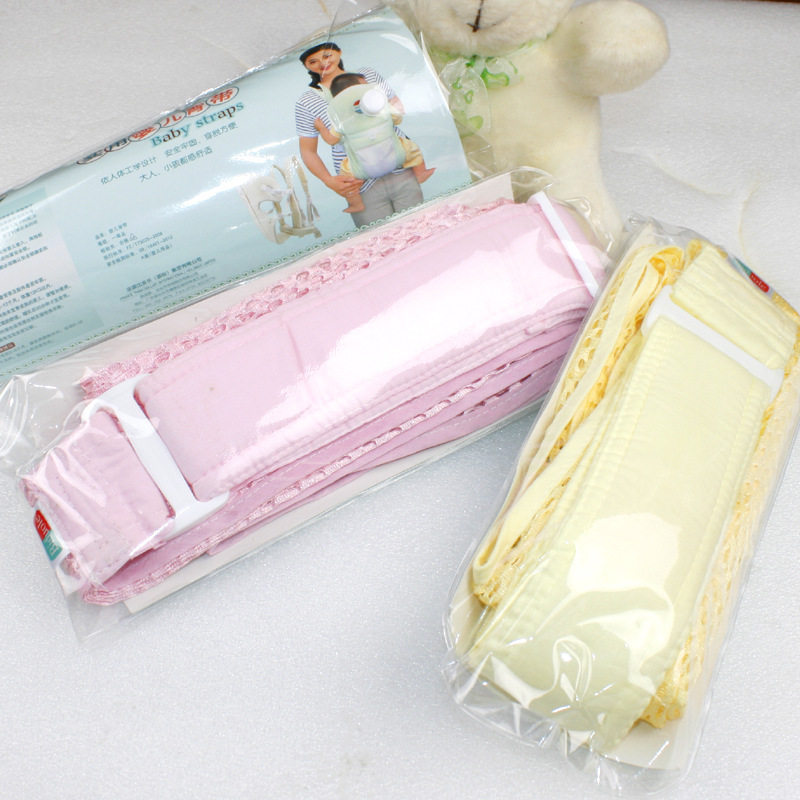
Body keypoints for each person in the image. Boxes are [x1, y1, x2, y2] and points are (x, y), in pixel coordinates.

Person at [294, 42, 424, 227]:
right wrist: (328, 180)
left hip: (399, 165)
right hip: (358, 182)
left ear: (339, 52)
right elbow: (308, 151)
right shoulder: (307, 101)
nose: (323, 63)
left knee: (420, 224)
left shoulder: (367, 76)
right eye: (313, 61)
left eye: (327, 55)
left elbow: (396, 106)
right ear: (306, 66)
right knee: (377, 235)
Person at [313, 72, 435, 214]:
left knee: (347, 178)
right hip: (395, 154)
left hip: (361, 166)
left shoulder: (342, 120)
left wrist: (321, 129)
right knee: (411, 148)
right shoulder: (381, 107)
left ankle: (356, 203)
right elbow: (398, 118)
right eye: (365, 86)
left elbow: (331, 140)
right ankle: (420, 173)